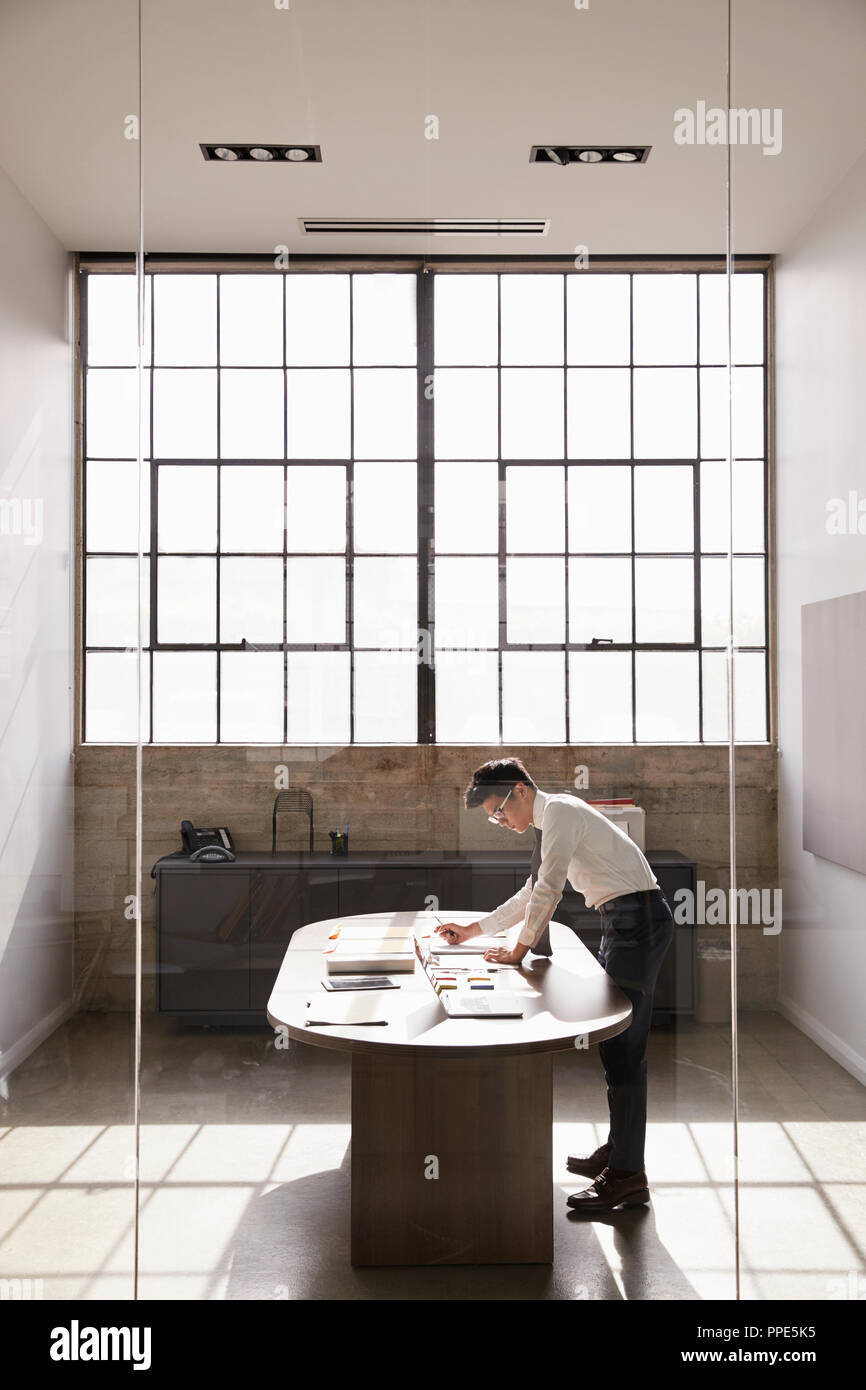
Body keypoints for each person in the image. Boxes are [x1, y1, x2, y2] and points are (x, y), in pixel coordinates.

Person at [434, 756, 675, 1214]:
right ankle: (620, 1151)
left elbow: (549, 889)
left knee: (624, 1046)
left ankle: (627, 1175)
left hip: (638, 921)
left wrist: (518, 951)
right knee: (615, 1042)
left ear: (521, 791)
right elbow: (532, 891)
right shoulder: (551, 822)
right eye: (492, 815)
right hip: (621, 920)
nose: (499, 821)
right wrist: (474, 931)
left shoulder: (560, 811)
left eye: (499, 810)